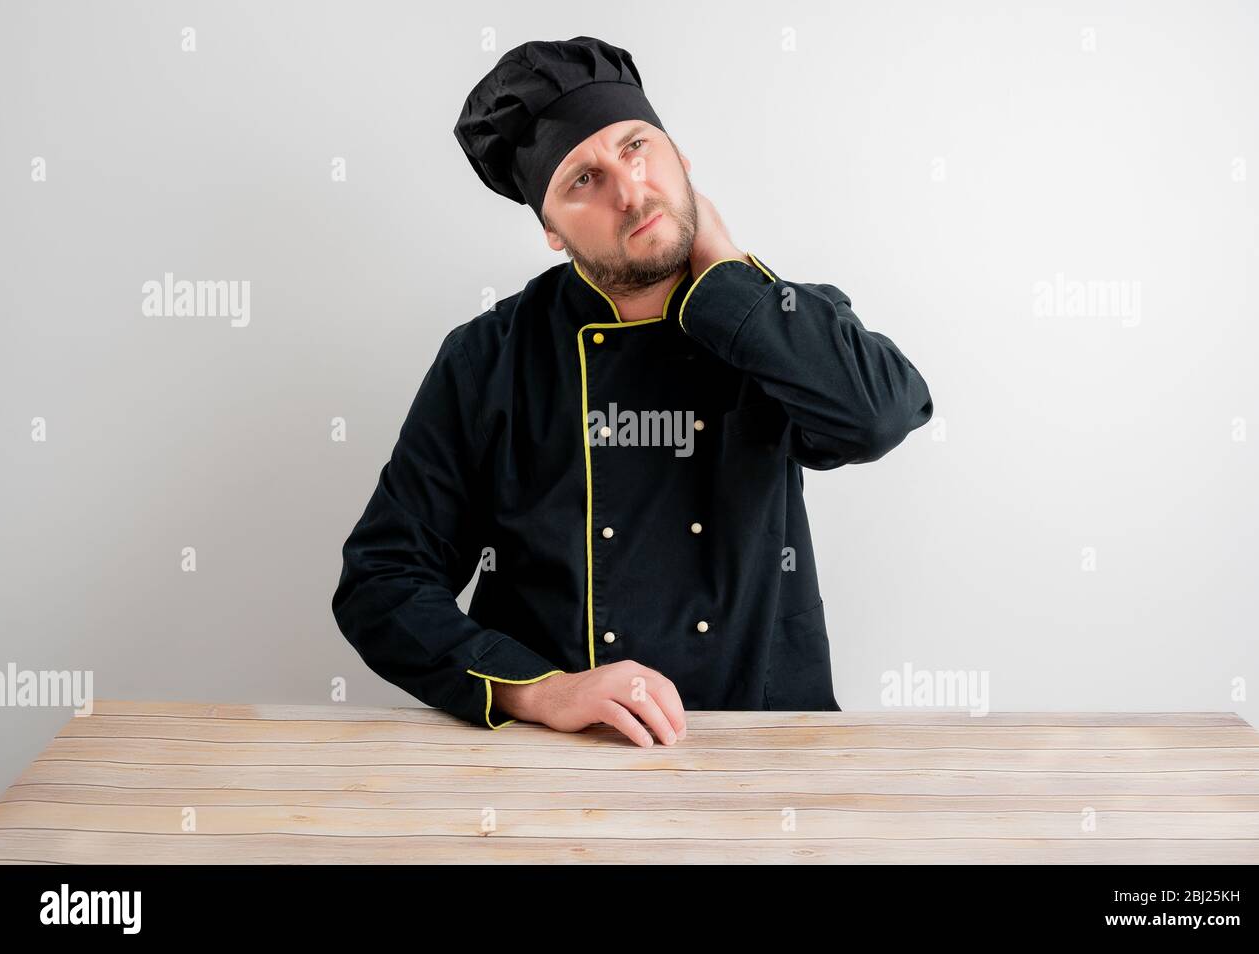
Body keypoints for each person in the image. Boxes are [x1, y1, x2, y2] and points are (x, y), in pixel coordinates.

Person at [331, 36, 933, 748]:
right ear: (551, 230)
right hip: (560, 760)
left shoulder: (775, 322)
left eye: (637, 146)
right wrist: (543, 690)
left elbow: (881, 416)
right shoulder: (490, 358)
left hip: (763, 750)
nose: (630, 189)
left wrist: (729, 271)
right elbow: (382, 581)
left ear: (681, 158)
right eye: (582, 179)